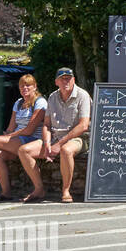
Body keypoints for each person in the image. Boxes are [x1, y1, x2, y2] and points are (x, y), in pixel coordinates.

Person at [14, 68, 92, 203]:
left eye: (69, 78)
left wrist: (58, 145)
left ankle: (66, 190)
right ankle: (39, 189)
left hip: (79, 137)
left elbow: (83, 126)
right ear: (56, 82)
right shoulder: (52, 97)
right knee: (24, 150)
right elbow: (47, 124)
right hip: (55, 137)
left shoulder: (82, 95)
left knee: (66, 150)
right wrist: (47, 144)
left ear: (74, 80)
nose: (66, 81)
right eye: (62, 79)